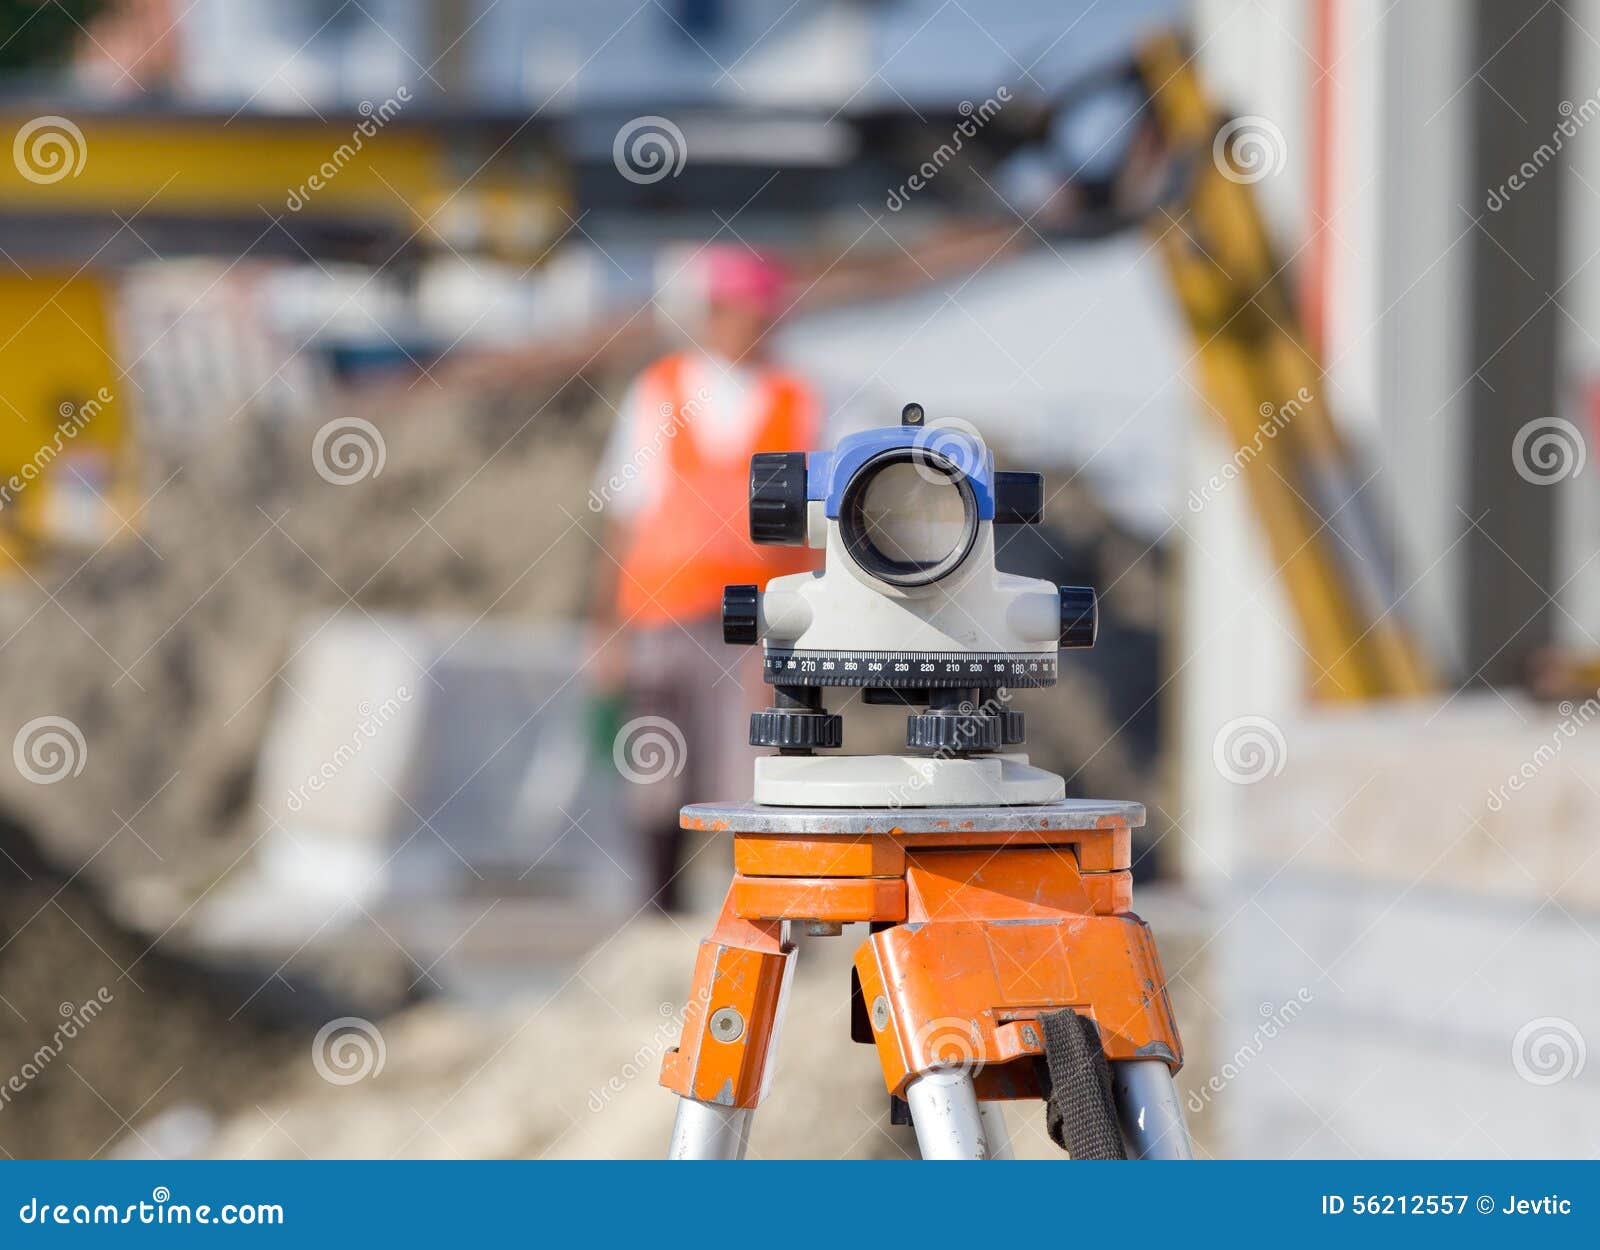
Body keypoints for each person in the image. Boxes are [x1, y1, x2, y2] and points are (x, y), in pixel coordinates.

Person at [590, 248, 820, 911]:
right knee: (659, 771)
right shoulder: (660, 390)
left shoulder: (796, 398)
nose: (763, 327)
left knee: (751, 771)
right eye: (751, 313)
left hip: (760, 623)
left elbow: (815, 527)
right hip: (663, 612)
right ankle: (657, 914)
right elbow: (627, 511)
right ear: (715, 312)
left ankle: (753, 918)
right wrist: (604, 628)